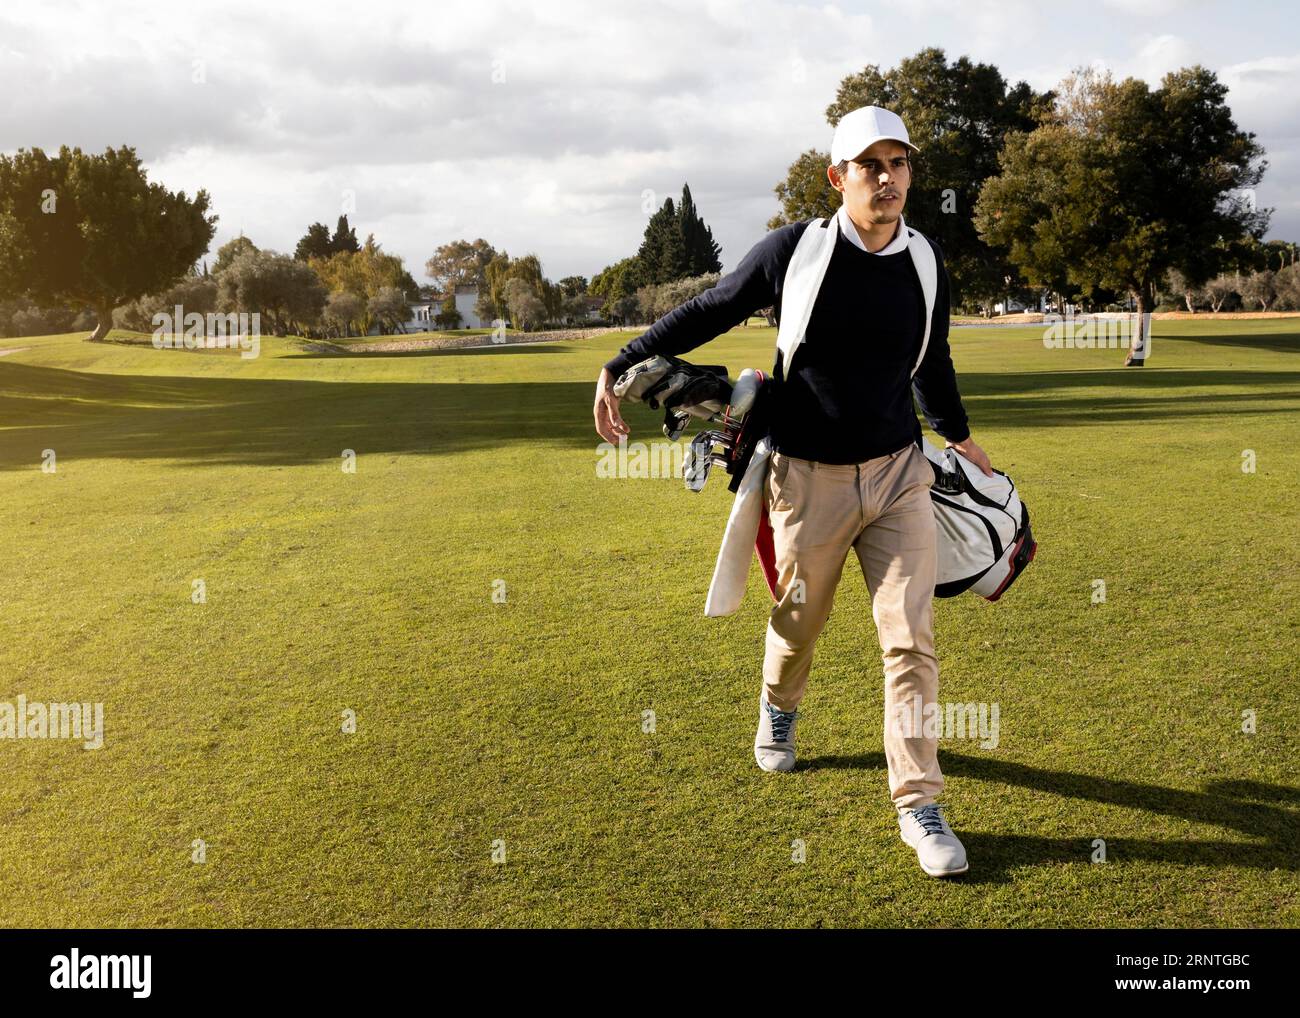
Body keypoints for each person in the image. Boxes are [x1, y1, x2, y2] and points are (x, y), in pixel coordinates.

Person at [592, 106, 992, 878]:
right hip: (807, 476)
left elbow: (931, 357)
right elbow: (710, 307)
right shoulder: (794, 251)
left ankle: (919, 803)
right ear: (837, 177)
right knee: (800, 621)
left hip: (900, 475)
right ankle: (779, 709)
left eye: (898, 163)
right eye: (868, 165)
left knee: (910, 640)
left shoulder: (924, 259)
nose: (886, 177)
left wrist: (959, 435)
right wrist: (620, 362)